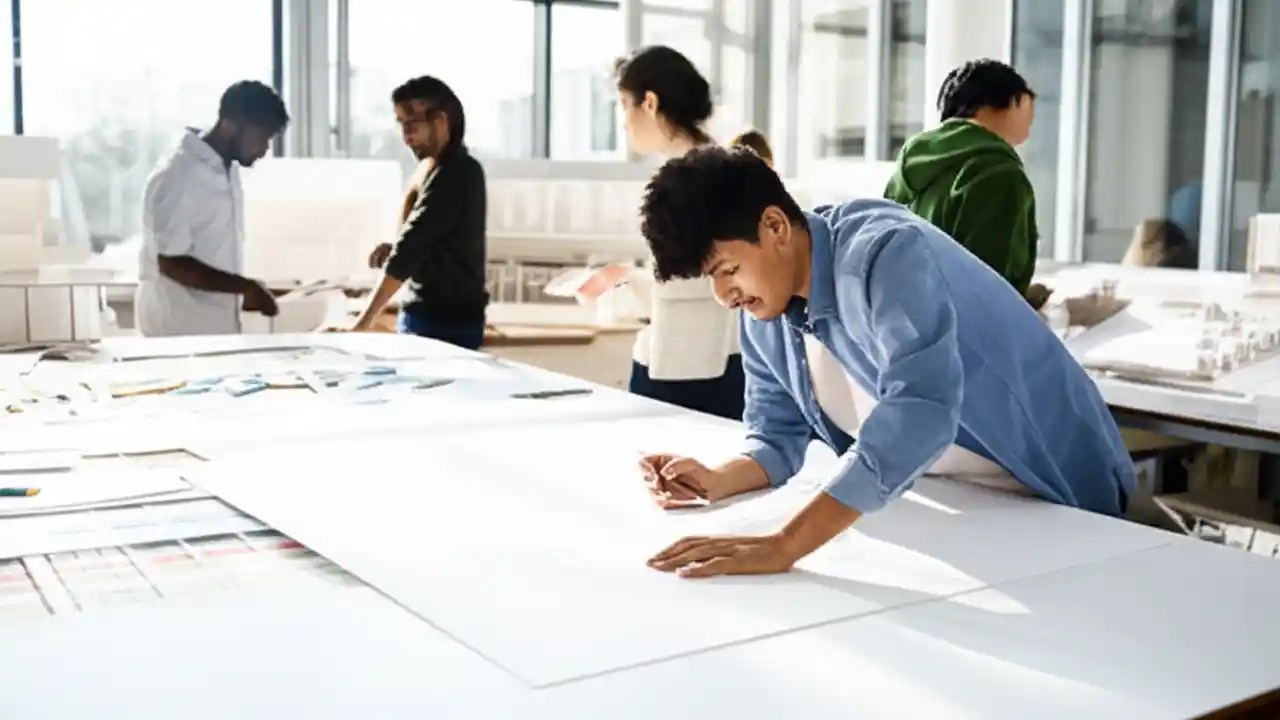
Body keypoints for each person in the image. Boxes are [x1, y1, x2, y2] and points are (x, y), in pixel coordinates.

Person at [636, 147, 1135, 579]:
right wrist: (719, 479)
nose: (724, 296)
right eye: (711, 281)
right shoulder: (764, 310)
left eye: (727, 271)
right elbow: (775, 435)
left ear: (774, 227)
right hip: (961, 508)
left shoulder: (885, 254)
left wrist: (787, 544)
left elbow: (921, 408)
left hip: (1055, 490)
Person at [615, 45, 744, 420]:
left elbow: (681, 281)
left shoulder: (674, 180)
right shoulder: (732, 167)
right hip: (732, 364)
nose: (623, 120)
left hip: (676, 369)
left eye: (625, 104)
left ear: (650, 103)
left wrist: (623, 284)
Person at [135, 80, 288, 337]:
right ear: (229, 125)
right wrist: (246, 288)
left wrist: (243, 290)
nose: (264, 149)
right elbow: (172, 262)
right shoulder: (179, 175)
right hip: (178, 331)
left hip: (214, 327)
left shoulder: (226, 169)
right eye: (261, 137)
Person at [884, 59, 1041, 303]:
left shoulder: (913, 163)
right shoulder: (1000, 174)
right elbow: (985, 287)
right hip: (967, 334)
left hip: (906, 324)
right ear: (1014, 100)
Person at [357, 76, 488, 350]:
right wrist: (393, 249)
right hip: (431, 317)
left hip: (443, 324)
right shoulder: (433, 169)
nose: (406, 137)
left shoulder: (456, 173)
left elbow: (412, 246)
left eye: (412, 125)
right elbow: (429, 241)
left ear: (440, 121)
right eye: (401, 125)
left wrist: (362, 324)